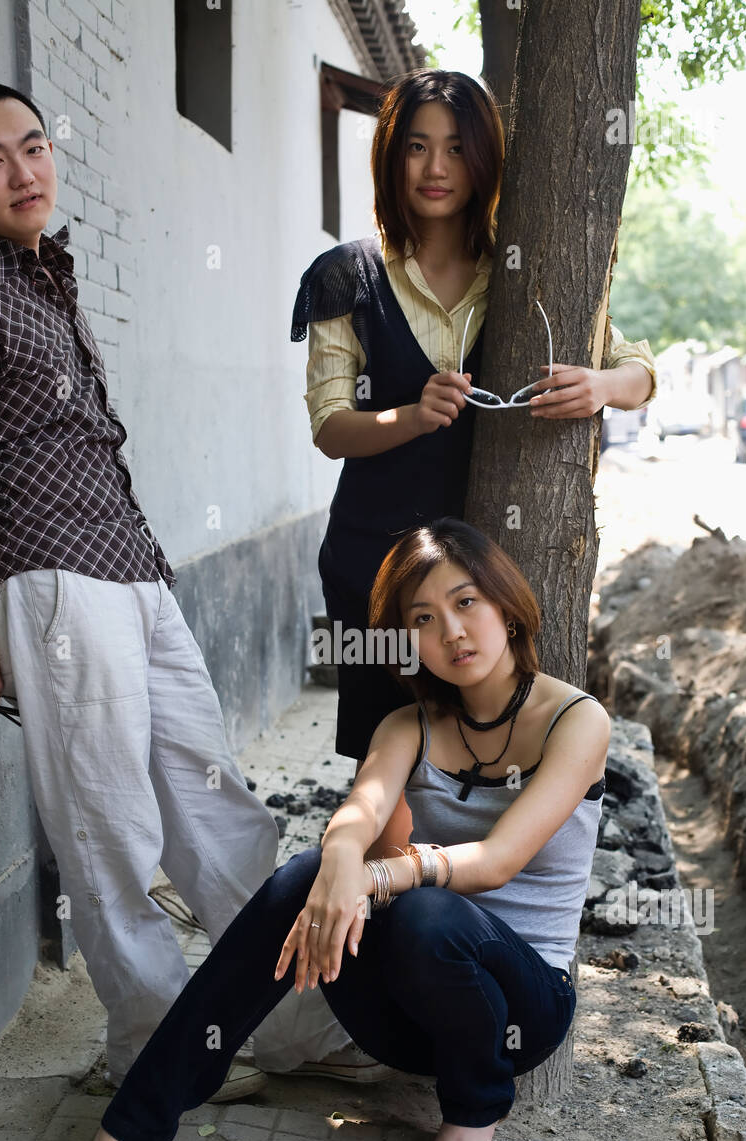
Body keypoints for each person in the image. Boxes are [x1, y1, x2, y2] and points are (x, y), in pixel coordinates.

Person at [49, 516, 611, 1141]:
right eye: (424, 619)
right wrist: (342, 860)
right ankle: (136, 1124)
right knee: (306, 875)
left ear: (506, 604)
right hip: (400, 1021)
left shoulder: (576, 720)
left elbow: (499, 862)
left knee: (424, 911)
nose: (453, 633)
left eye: (467, 603)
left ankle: (476, 1105)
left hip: (520, 1011)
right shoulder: (409, 727)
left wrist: (378, 876)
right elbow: (359, 811)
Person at [0, 82, 303, 1100]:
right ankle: (153, 1048)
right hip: (50, 579)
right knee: (108, 824)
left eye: (33, 146)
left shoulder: (48, 277)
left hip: (132, 566)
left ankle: (278, 1016)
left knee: (209, 797)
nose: (22, 170)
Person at [290, 67, 654, 861]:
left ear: (485, 159)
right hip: (374, 564)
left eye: (456, 148)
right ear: (390, 158)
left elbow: (638, 370)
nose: (434, 167)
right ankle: (379, 915)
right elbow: (329, 424)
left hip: (487, 580)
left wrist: (599, 386)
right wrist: (410, 416)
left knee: (491, 743)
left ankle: (479, 916)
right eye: (415, 147)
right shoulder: (347, 277)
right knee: (382, 755)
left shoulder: (527, 276)